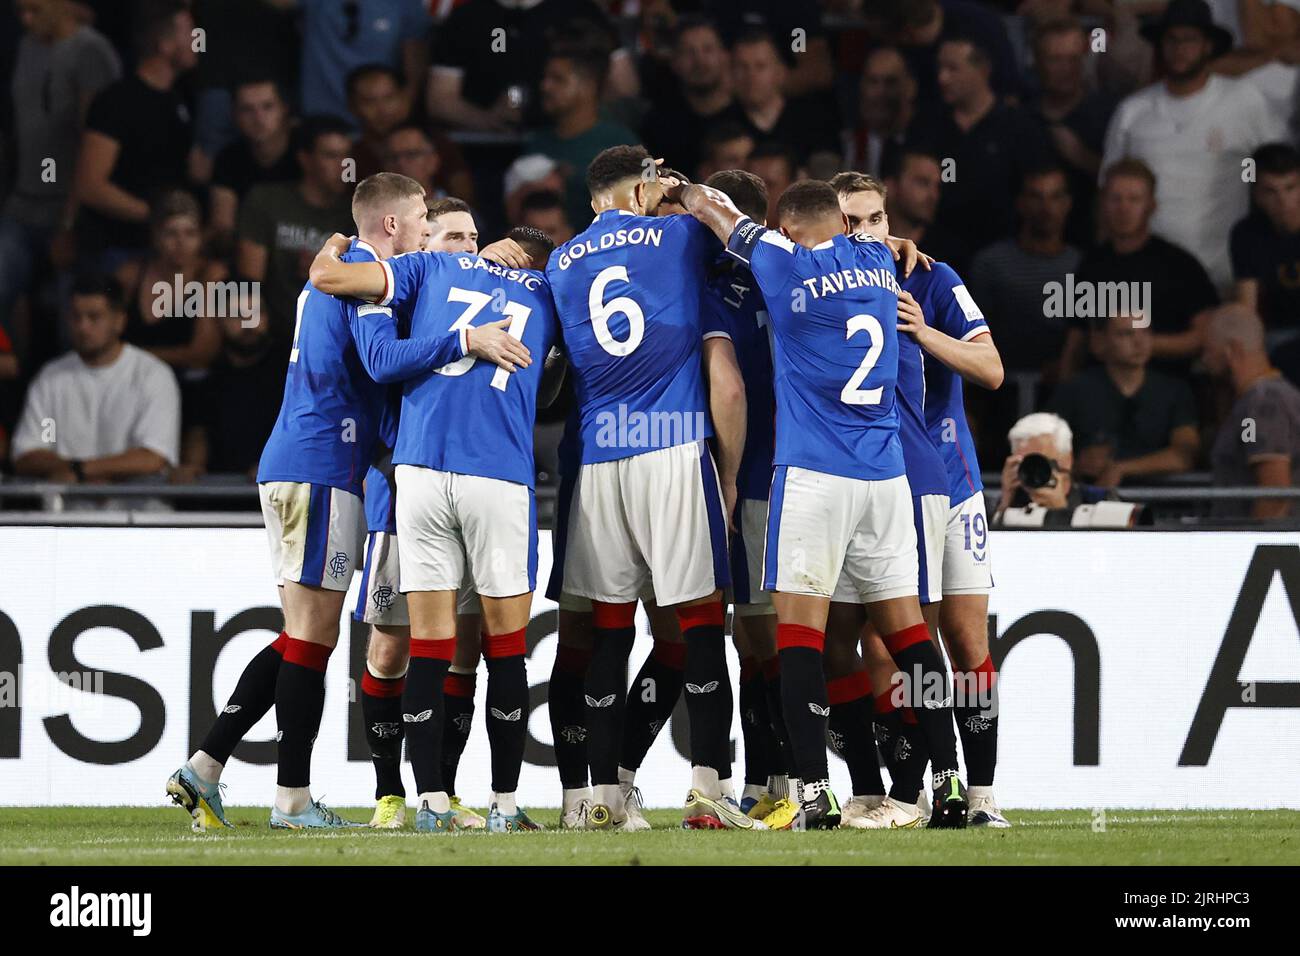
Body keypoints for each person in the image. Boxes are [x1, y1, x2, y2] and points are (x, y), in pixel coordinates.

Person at [165, 172, 524, 831]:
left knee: (306, 636)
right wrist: (464, 338)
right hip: (321, 462)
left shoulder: (347, 265)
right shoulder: (361, 267)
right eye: (421, 219)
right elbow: (385, 362)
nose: (424, 231)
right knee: (310, 638)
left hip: (311, 460)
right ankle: (290, 800)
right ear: (393, 224)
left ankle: (207, 766)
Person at [675, 177, 970, 830]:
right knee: (910, 632)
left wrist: (682, 189)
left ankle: (815, 793)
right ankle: (948, 782)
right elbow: (882, 238)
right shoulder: (876, 258)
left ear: (787, 227)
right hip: (886, 476)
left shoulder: (780, 261)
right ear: (843, 219)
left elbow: (718, 213)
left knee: (800, 635)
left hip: (813, 473)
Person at [308, 224, 557, 833]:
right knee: (504, 648)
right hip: (497, 471)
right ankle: (502, 805)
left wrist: (339, 243)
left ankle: (430, 803)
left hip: (417, 469)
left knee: (430, 643)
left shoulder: (428, 270)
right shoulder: (550, 292)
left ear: (494, 244)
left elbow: (330, 278)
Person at [545, 146, 749, 830]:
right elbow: (737, 229)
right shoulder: (681, 234)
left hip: (600, 457)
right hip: (670, 445)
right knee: (699, 624)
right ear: (640, 190)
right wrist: (685, 191)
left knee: (609, 629)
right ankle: (710, 792)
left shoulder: (562, 261)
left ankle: (601, 800)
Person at [832, 170, 1009, 828]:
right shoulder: (829, 285)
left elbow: (990, 369)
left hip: (952, 480)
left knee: (966, 639)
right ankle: (927, 785)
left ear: (890, 222)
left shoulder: (932, 280)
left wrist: (922, 331)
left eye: (874, 219)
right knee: (891, 644)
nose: (864, 232)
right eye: (849, 221)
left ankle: (981, 796)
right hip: (888, 482)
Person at [1100, 0, 1285, 290]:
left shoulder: (1245, 101)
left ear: (1208, 45)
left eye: (1190, 39)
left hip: (1227, 275)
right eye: (1171, 39)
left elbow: (1281, 174)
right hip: (1146, 279)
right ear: (1160, 45)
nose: (1180, 48)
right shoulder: (1132, 111)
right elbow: (1107, 196)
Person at [0, 0, 119, 331]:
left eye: (34, 10)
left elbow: (93, 143)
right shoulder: (26, 46)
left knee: (78, 320)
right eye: (19, 11)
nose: (25, 20)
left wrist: (69, 223)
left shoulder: (92, 52)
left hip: (70, 209)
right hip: (22, 202)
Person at [11, 273, 179, 500]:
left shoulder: (152, 376)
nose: (83, 327)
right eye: (76, 317)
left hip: (139, 521)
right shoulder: (52, 378)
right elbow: (30, 451)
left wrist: (80, 471)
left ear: (119, 320)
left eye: (94, 317)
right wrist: (77, 470)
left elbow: (152, 456)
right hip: (65, 522)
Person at [1061, 158, 1219, 379]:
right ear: (1103, 203)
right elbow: (1076, 339)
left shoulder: (1179, 265)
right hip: (1100, 390)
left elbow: (1205, 335)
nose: (1124, 208)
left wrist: (1140, 344)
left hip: (1166, 387)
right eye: (1116, 199)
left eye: (1134, 199)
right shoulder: (1091, 264)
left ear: (1151, 206)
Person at [69, 0, 197, 266]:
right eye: (190, 32)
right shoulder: (117, 102)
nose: (198, 39)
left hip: (162, 257)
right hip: (116, 250)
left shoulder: (181, 99)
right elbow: (90, 186)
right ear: (165, 44)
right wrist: (157, 215)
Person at [905, 35, 1053, 251]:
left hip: (1002, 251)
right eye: (940, 68)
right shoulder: (928, 125)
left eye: (953, 69)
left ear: (983, 70)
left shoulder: (1019, 127)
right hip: (936, 250)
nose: (942, 78)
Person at [427, 0, 635, 132]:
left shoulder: (581, 11)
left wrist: (578, 121)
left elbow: (624, 88)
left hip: (569, 147)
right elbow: (440, 99)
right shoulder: (467, 16)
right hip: (484, 154)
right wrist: (487, 120)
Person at [236, 116, 355, 339]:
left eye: (348, 156)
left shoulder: (357, 214)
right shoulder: (266, 201)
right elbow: (249, 281)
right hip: (274, 331)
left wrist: (328, 270)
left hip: (335, 335)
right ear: (305, 159)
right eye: (331, 156)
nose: (345, 165)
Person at [1051, 314, 1199, 486]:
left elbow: (1185, 455)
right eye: (1126, 334)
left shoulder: (1175, 390)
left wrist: (1121, 468)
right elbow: (1042, 451)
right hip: (1092, 501)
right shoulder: (1074, 390)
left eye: (1145, 332)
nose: (1139, 342)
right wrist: (1077, 465)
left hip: (1159, 502)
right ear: (1100, 341)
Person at [966, 165, 1080, 385]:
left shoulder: (1082, 267)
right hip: (996, 389)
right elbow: (973, 336)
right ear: (1021, 203)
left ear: (1068, 204)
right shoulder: (991, 263)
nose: (1046, 208)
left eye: (1055, 197)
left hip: (1063, 388)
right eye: (1037, 197)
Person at [526, 40, 639, 232]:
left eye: (558, 79)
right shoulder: (537, 141)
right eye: (545, 78)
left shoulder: (620, 143)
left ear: (589, 86)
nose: (545, 86)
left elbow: (640, 207)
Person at [1204, 305, 1300, 520]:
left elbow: (1274, 491)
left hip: (1259, 547)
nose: (1204, 360)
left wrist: (1249, 542)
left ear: (1232, 351)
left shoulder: (1263, 402)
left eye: (1208, 350)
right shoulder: (1257, 401)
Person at [1027, 17, 1117, 245]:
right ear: (1037, 62)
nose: (1066, 69)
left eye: (1074, 59)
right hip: (1025, 245)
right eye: (1055, 60)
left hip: (1088, 244)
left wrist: (1082, 157)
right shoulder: (1020, 115)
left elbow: (1124, 184)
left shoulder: (1109, 114)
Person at [116, 190, 225, 373]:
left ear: (201, 238)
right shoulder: (130, 275)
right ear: (156, 236)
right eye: (170, 233)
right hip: (131, 380)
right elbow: (107, 338)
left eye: (190, 233)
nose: (180, 243)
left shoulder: (211, 275)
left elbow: (203, 352)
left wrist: (134, 357)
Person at [273, 0, 431, 125]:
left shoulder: (405, 3)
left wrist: (407, 102)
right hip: (322, 120)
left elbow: (416, 56)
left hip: (383, 123)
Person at [173, 312, 287, 483]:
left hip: (279, 488)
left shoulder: (291, 373)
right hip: (220, 493)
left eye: (256, 313)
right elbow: (199, 430)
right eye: (236, 316)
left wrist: (277, 462)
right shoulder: (209, 378)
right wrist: (192, 465)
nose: (248, 323)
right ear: (219, 322)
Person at [728, 28, 839, 169]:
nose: (751, 76)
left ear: (780, 71)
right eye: (742, 67)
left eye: (760, 66)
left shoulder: (813, 121)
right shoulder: (721, 123)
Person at [208, 78, 299, 251]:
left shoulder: (307, 151)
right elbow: (222, 226)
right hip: (246, 249)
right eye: (247, 110)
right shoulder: (228, 159)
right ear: (234, 115)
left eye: (267, 107)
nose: (258, 118)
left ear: (284, 109)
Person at [641, 15, 736, 178]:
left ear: (725, 56)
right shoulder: (657, 125)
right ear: (675, 62)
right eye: (688, 52)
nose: (699, 60)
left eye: (708, 49)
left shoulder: (748, 115)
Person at [1231, 143, 1300, 342]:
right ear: (1257, 195)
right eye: (1271, 191)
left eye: (1290, 188)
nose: (1283, 201)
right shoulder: (1247, 234)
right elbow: (1247, 309)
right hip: (1279, 335)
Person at [991, 412, 1114, 524]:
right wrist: (1004, 505)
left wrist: (1061, 511)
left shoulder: (1099, 501)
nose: (1032, 469)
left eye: (1039, 461)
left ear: (1067, 460)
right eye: (1025, 462)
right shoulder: (1008, 502)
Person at [882, 147, 971, 274]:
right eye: (922, 182)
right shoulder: (866, 246)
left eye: (937, 186)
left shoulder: (951, 254)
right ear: (890, 185)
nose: (933, 195)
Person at [841, 47, 916, 179]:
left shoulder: (927, 145)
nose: (880, 93)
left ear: (910, 87)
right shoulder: (844, 144)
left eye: (890, 82)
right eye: (872, 82)